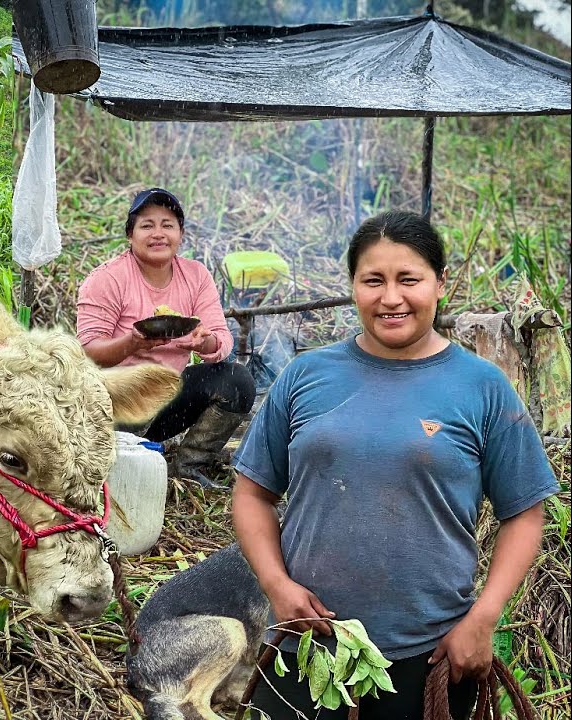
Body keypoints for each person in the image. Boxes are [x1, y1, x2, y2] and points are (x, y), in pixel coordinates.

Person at [231, 210, 558, 719]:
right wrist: (277, 585)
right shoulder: (305, 376)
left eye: (409, 279)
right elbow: (253, 493)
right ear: (353, 287)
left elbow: (525, 512)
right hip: (306, 646)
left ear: (439, 283)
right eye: (373, 280)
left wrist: (484, 618)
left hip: (429, 655)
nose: (391, 298)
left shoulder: (482, 387)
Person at [76, 187, 255, 487]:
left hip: (167, 397)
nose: (158, 234)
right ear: (130, 235)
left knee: (236, 381)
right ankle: (123, 457)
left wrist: (205, 342)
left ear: (180, 234)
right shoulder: (107, 279)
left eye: (167, 225)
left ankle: (189, 465)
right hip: (116, 402)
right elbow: (87, 350)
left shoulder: (196, 276)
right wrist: (131, 342)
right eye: (147, 225)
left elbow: (221, 339)